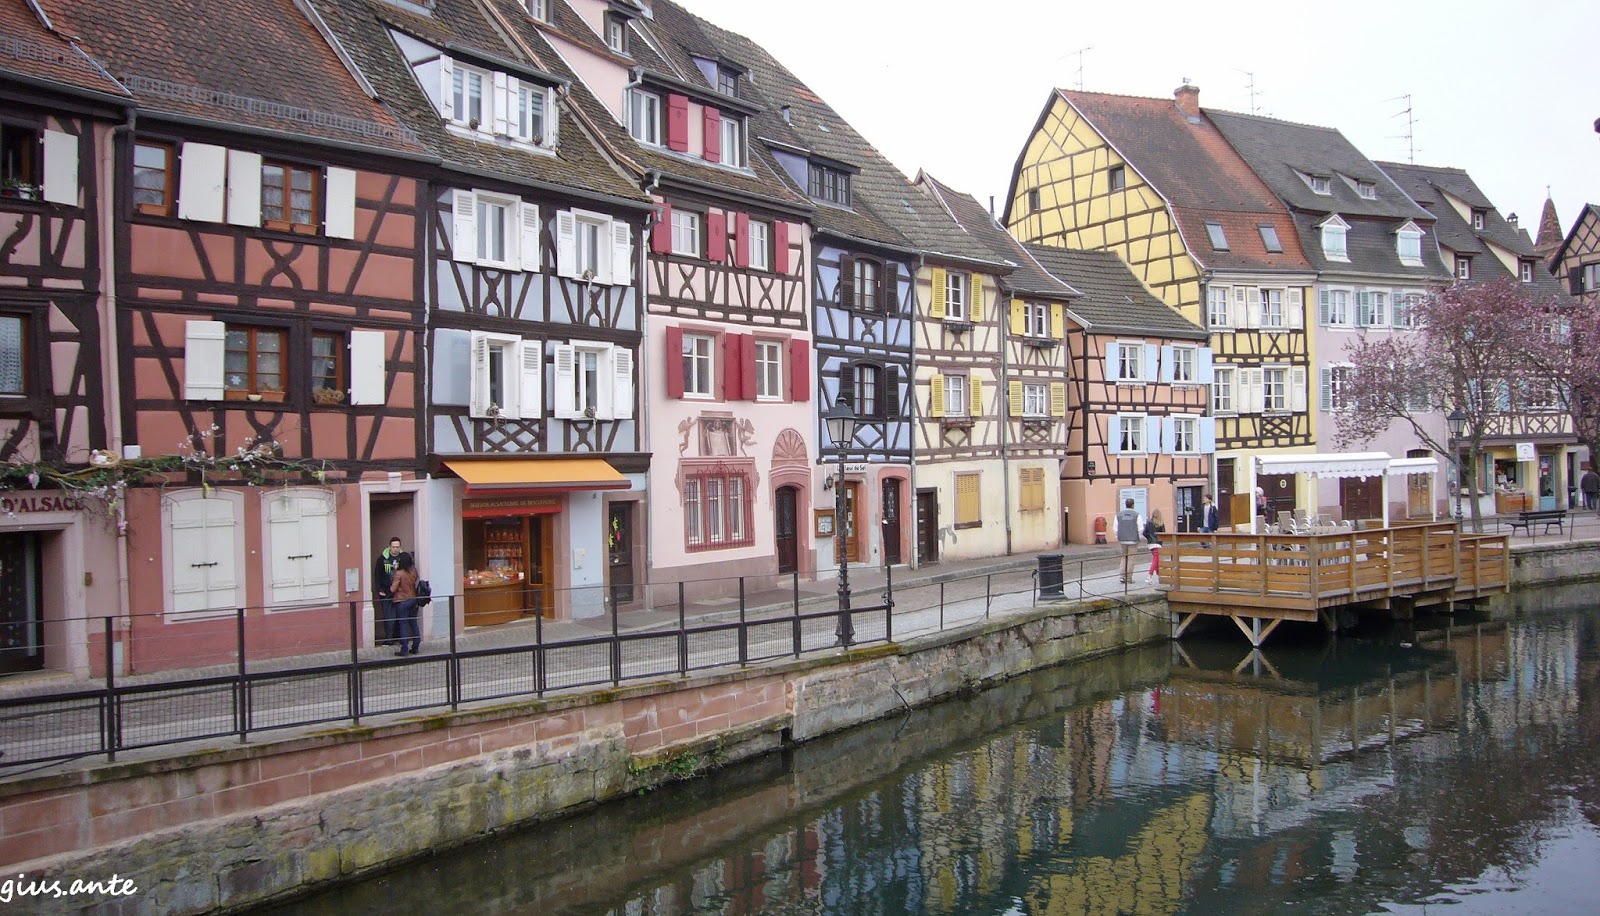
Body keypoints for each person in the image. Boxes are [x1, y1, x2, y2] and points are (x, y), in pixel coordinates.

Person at [371, 536, 404, 646]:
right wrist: (379, 589)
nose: (395, 549)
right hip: (385, 593)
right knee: (388, 617)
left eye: (397, 547)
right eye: (393, 547)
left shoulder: (404, 558)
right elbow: (377, 575)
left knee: (400, 616)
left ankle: (399, 638)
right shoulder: (382, 559)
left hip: (400, 593)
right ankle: (389, 639)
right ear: (389, 547)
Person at [388, 552, 421, 656]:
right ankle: (415, 645)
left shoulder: (399, 573)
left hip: (402, 601)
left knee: (403, 624)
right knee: (413, 623)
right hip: (413, 599)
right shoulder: (413, 571)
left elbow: (393, 589)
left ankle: (404, 648)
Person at [1115, 498, 1143, 584]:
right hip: (1133, 540)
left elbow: (1115, 528)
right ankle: (1128, 578)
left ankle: (1122, 576)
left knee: (1123, 557)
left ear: (1125, 504)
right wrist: (1139, 537)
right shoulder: (1136, 515)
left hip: (1123, 540)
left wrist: (1118, 536)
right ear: (1133, 505)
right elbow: (1140, 528)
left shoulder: (1118, 515)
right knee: (1131, 559)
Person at [1144, 509, 1165, 584]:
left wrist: (1149, 537)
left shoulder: (1149, 522)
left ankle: (1160, 576)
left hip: (1151, 543)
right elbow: (1163, 534)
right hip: (1158, 543)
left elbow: (1144, 533)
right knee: (1155, 560)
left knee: (1156, 560)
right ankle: (1149, 576)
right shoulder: (1161, 523)